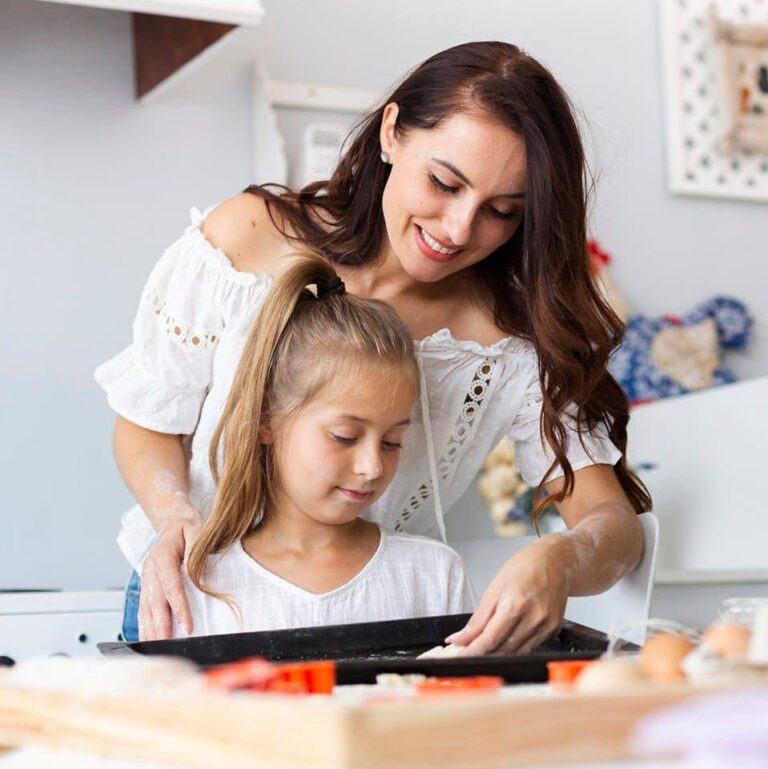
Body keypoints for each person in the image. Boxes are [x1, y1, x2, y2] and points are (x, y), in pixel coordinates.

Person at [96, 40, 651, 651]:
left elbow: (614, 529)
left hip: (370, 620)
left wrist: (560, 561)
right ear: (392, 132)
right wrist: (177, 519)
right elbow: (147, 423)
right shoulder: (249, 238)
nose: (459, 230)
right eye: (443, 183)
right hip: (194, 602)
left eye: (501, 211)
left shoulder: (513, 343)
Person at [171, 252, 473, 637]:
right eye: (344, 436)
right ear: (267, 420)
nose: (372, 467)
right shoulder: (200, 584)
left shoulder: (433, 576)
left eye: (392, 442)